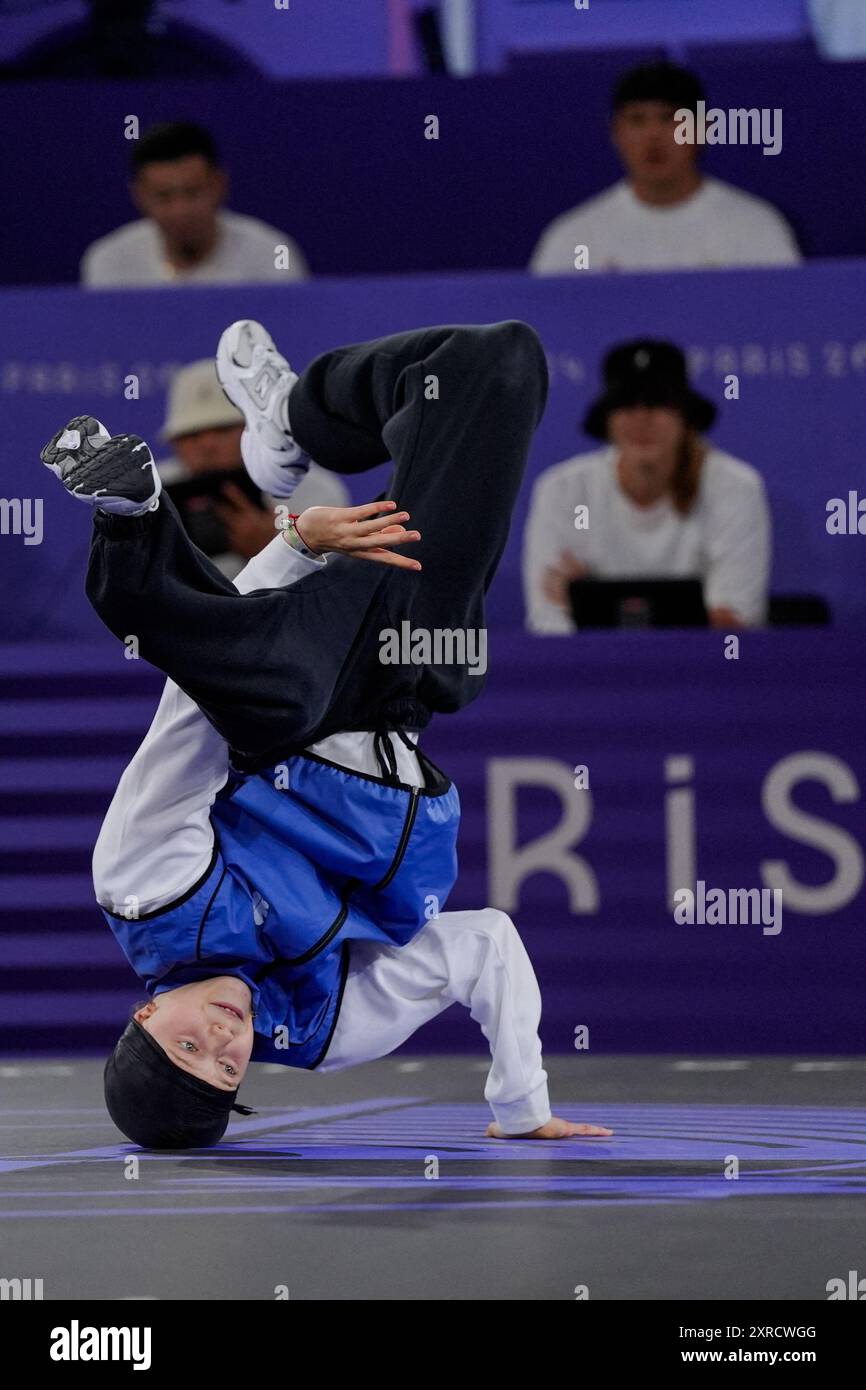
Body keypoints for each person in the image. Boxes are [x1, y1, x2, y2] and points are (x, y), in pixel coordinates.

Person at [41, 317, 612, 1149]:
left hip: (295, 706)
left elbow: (191, 716)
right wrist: (523, 1109)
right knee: (494, 366)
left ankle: (134, 519)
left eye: (188, 1044)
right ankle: (296, 418)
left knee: (223, 676)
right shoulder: (327, 1030)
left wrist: (295, 545)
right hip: (410, 681)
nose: (224, 1039)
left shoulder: (142, 889)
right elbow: (484, 944)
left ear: (148, 1009)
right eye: (226, 1067)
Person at [522, 339, 771, 633]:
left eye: (658, 402)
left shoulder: (735, 488)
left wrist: (590, 607)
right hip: (594, 674)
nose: (642, 417)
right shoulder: (564, 490)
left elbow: (735, 622)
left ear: (684, 417)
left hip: (704, 676)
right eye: (626, 404)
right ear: (607, 420)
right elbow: (548, 619)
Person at [529, 62, 801, 275]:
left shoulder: (754, 227)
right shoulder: (574, 238)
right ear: (616, 132)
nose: (653, 136)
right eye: (637, 121)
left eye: (670, 119)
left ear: (704, 129)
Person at [158, 358, 348, 579]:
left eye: (222, 429)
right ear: (174, 444)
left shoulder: (312, 492)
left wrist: (278, 552)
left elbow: (336, 588)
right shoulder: (149, 495)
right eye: (192, 435)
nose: (207, 445)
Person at [80, 123, 309, 288]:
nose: (181, 210)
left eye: (193, 192)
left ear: (218, 184)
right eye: (164, 196)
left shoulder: (273, 255)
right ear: (139, 196)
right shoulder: (109, 262)